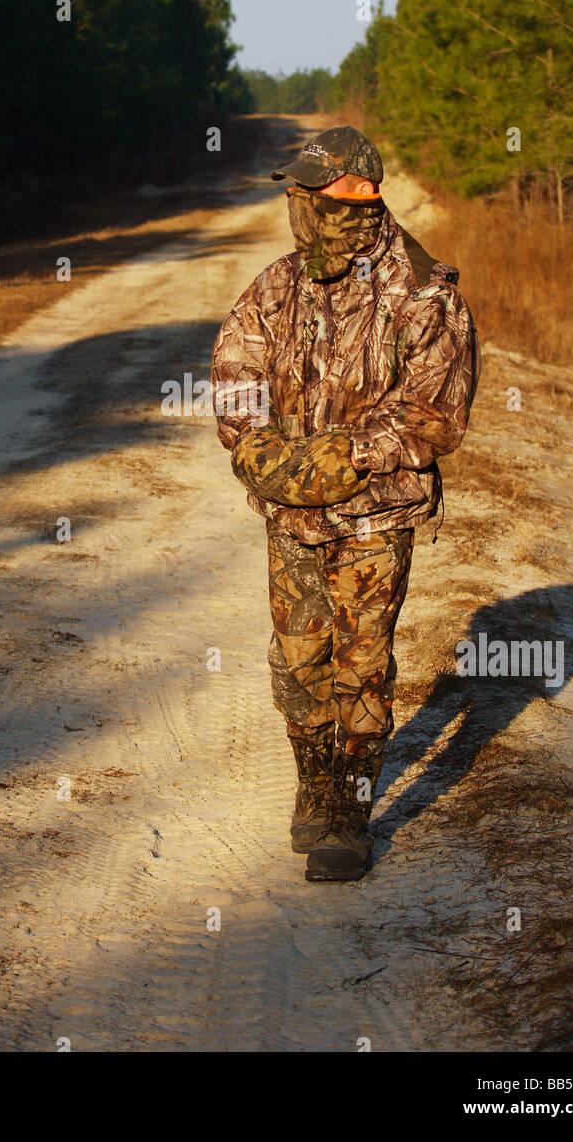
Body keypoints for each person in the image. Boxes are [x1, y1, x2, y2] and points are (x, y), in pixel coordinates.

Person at [210, 126, 481, 882]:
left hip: (375, 513)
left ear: (358, 195)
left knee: (361, 664)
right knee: (299, 660)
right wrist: (255, 448)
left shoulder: (422, 290)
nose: (298, 205)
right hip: (291, 515)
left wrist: (347, 456)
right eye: (296, 192)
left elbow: (436, 410)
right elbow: (236, 371)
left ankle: (350, 812)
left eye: (313, 192)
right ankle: (313, 779)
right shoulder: (276, 287)